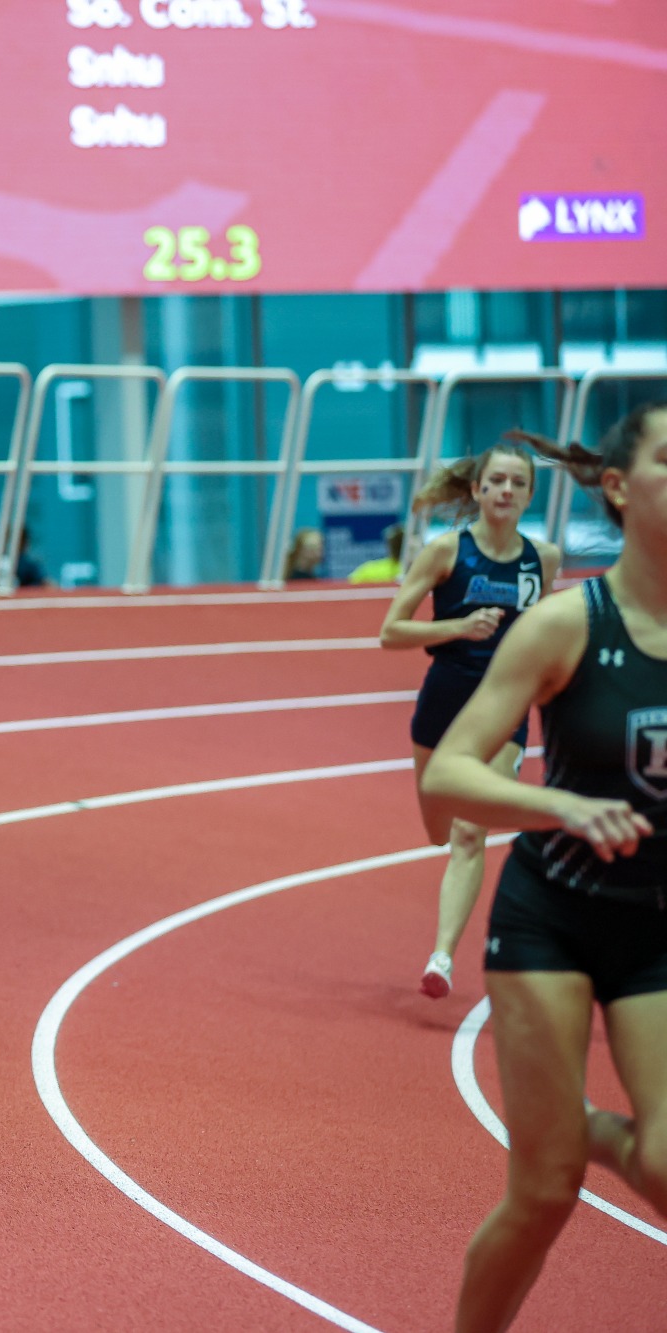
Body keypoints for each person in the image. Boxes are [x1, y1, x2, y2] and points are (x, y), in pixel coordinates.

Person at [420, 404, 667, 1333]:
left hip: (654, 927)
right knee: (545, 1191)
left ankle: (593, 1129)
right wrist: (562, 805)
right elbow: (448, 774)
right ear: (617, 484)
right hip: (552, 919)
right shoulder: (567, 625)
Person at [381, 441, 559, 998]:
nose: (507, 491)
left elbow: (542, 633)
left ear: (530, 494)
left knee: (468, 831)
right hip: (444, 701)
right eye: (498, 481)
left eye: (518, 483)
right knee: (437, 829)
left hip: (502, 710)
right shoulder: (445, 552)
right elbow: (391, 632)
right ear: (478, 489)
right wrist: (457, 628)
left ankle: (442, 958)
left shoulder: (544, 558)